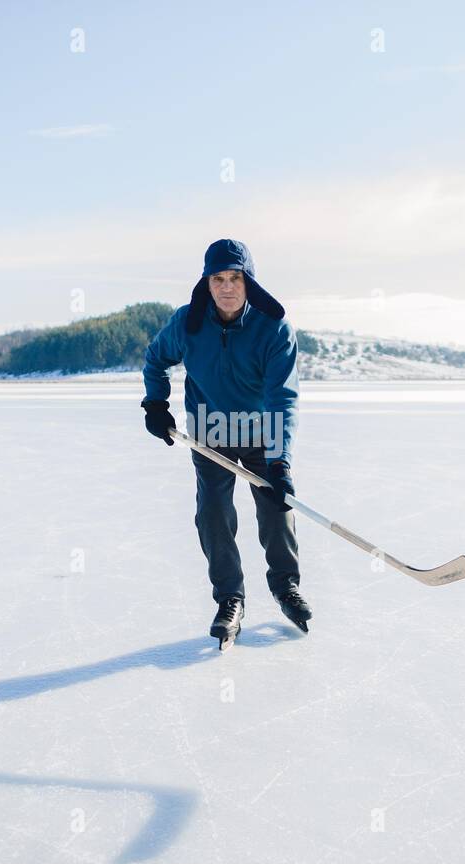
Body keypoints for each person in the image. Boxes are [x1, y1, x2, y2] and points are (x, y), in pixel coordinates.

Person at [140, 239, 313, 646]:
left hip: (259, 433)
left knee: (276, 507)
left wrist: (280, 461)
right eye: (218, 278)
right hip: (210, 433)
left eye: (235, 277)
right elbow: (155, 359)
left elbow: (282, 398)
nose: (227, 287)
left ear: (249, 280)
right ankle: (229, 598)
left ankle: (285, 585)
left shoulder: (273, 327)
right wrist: (155, 404)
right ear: (207, 282)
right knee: (213, 513)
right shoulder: (188, 323)